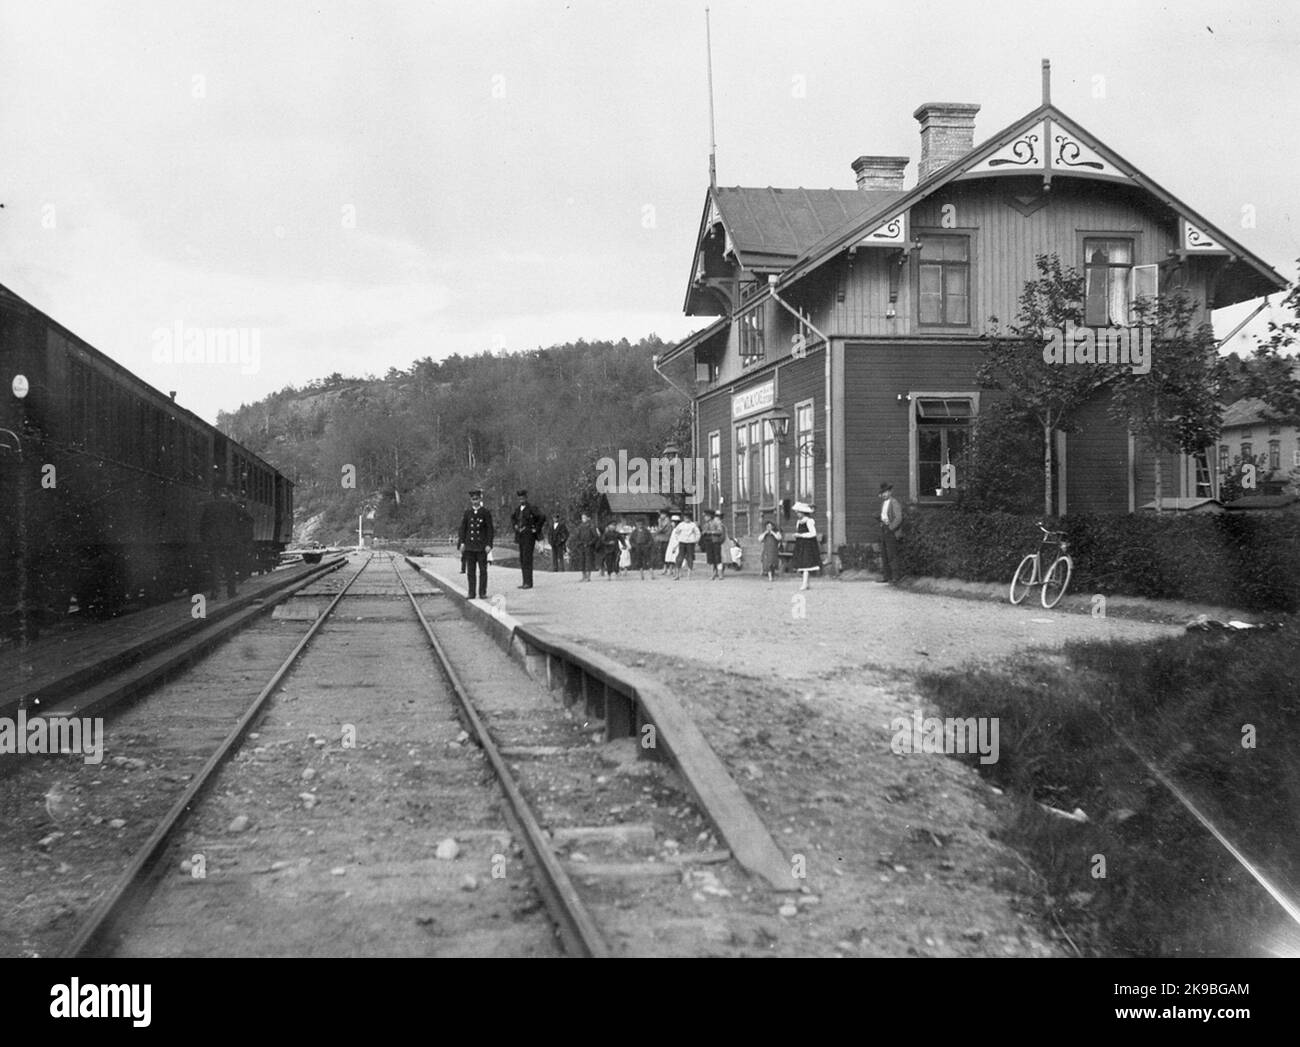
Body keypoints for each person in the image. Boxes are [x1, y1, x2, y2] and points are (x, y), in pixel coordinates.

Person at [457, 488, 494, 599]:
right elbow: (463, 529)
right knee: (470, 572)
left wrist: (489, 544)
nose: (475, 501)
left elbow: (490, 530)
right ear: (471, 500)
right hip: (470, 547)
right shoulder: (467, 513)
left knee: (483, 571)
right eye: (473, 499)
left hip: (482, 547)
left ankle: (482, 592)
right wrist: (462, 542)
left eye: (477, 499)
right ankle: (471, 593)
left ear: (480, 499)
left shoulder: (485, 512)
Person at [511, 490, 546, 589]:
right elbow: (513, 518)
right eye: (520, 498)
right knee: (522, 559)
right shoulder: (517, 509)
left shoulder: (532, 508)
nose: (521, 500)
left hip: (529, 536)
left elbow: (542, 517)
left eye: (523, 498)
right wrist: (515, 526)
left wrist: (536, 528)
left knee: (527, 558)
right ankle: (524, 581)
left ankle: (528, 583)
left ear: (526, 498)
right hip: (520, 536)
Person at [790, 501, 820, 590]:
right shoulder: (799, 522)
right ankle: (806, 583)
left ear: (803, 512)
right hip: (801, 544)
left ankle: (805, 583)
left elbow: (813, 533)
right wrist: (797, 535)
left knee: (806, 564)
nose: (797, 514)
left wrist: (801, 535)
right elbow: (799, 531)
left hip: (808, 544)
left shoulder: (809, 521)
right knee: (802, 563)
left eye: (799, 512)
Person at [878, 482, 904, 584]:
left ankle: (896, 577)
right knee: (884, 554)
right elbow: (884, 516)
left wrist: (891, 527)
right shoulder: (883, 503)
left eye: (886, 492)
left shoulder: (894, 502)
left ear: (890, 492)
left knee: (892, 554)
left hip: (892, 531)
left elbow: (899, 518)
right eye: (882, 493)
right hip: (884, 529)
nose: (884, 494)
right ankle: (886, 576)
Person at [572, 511, 601, 582]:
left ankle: (588, 577)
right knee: (582, 561)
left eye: (584, 517)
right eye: (582, 517)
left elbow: (596, 537)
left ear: (588, 518)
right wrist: (579, 543)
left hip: (589, 546)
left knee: (588, 561)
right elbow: (577, 536)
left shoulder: (592, 526)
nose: (583, 519)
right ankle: (583, 576)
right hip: (581, 546)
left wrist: (590, 543)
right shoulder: (580, 526)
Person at [701, 509, 727, 580]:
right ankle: (713, 573)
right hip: (708, 542)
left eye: (706, 516)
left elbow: (720, 531)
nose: (705, 518)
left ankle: (720, 573)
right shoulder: (705, 524)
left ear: (710, 516)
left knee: (717, 558)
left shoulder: (716, 523)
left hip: (715, 542)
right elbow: (703, 532)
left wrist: (711, 532)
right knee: (710, 559)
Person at [674, 513, 700, 580]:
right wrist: (678, 539)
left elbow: (698, 533)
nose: (687, 519)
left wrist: (695, 540)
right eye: (686, 517)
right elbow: (676, 532)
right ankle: (677, 574)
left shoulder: (693, 525)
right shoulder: (681, 525)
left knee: (690, 558)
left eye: (688, 518)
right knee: (680, 557)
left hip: (690, 543)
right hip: (682, 542)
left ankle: (689, 575)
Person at [760, 518, 782, 582]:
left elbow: (779, 538)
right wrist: (765, 533)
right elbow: (759, 539)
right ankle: (770, 576)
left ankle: (772, 573)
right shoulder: (765, 534)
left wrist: (773, 533)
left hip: (773, 550)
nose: (768, 527)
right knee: (767, 562)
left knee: (773, 563)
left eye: (770, 526)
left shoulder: (776, 532)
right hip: (766, 550)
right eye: (767, 526)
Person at [652, 511, 672, 576]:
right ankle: (665, 568)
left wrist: (657, 532)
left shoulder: (667, 521)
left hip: (667, 539)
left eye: (661, 514)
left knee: (668, 554)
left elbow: (662, 529)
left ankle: (670, 569)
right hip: (661, 539)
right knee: (662, 555)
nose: (660, 515)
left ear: (665, 514)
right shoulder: (660, 520)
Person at [664, 514, 682, 579]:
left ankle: (676, 572)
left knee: (675, 559)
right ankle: (671, 570)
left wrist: (675, 546)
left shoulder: (678, 529)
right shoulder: (673, 529)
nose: (672, 524)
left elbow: (678, 539)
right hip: (671, 545)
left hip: (676, 546)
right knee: (670, 558)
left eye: (673, 522)